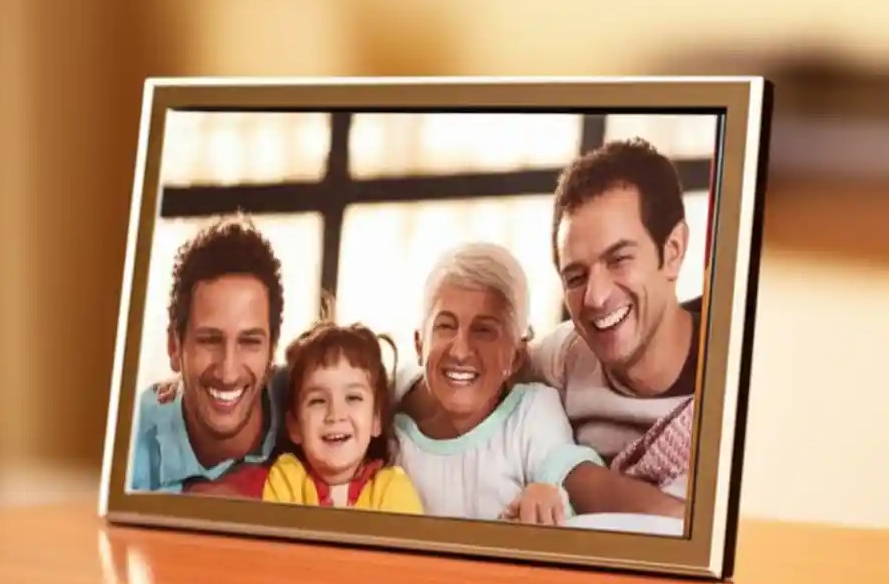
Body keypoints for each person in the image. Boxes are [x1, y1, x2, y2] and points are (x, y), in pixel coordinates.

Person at [392, 242, 619, 523]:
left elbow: (566, 480)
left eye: (484, 331)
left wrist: (546, 496)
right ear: (419, 344)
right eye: (445, 326)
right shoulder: (386, 401)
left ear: (516, 356)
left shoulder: (531, 413)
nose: (460, 351)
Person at [529, 138, 703, 501]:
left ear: (673, 252)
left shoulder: (738, 380)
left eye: (619, 260)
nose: (595, 297)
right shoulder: (563, 358)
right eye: (576, 277)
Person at [128, 214, 288, 493]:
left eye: (249, 341)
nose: (228, 372)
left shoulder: (313, 407)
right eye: (209, 340)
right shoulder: (127, 443)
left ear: (272, 351)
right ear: (174, 346)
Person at [261, 320, 423, 513]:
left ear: (376, 419)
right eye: (318, 401)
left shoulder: (393, 489)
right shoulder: (287, 479)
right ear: (294, 425)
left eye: (353, 398)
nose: (335, 415)